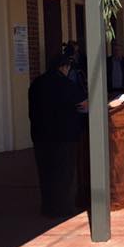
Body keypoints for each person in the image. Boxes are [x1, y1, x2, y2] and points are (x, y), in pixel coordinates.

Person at [28, 55, 85, 217]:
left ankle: (47, 207)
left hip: (40, 135)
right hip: (64, 136)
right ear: (63, 67)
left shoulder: (36, 83)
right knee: (64, 173)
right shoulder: (67, 84)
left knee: (45, 173)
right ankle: (63, 208)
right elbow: (82, 104)